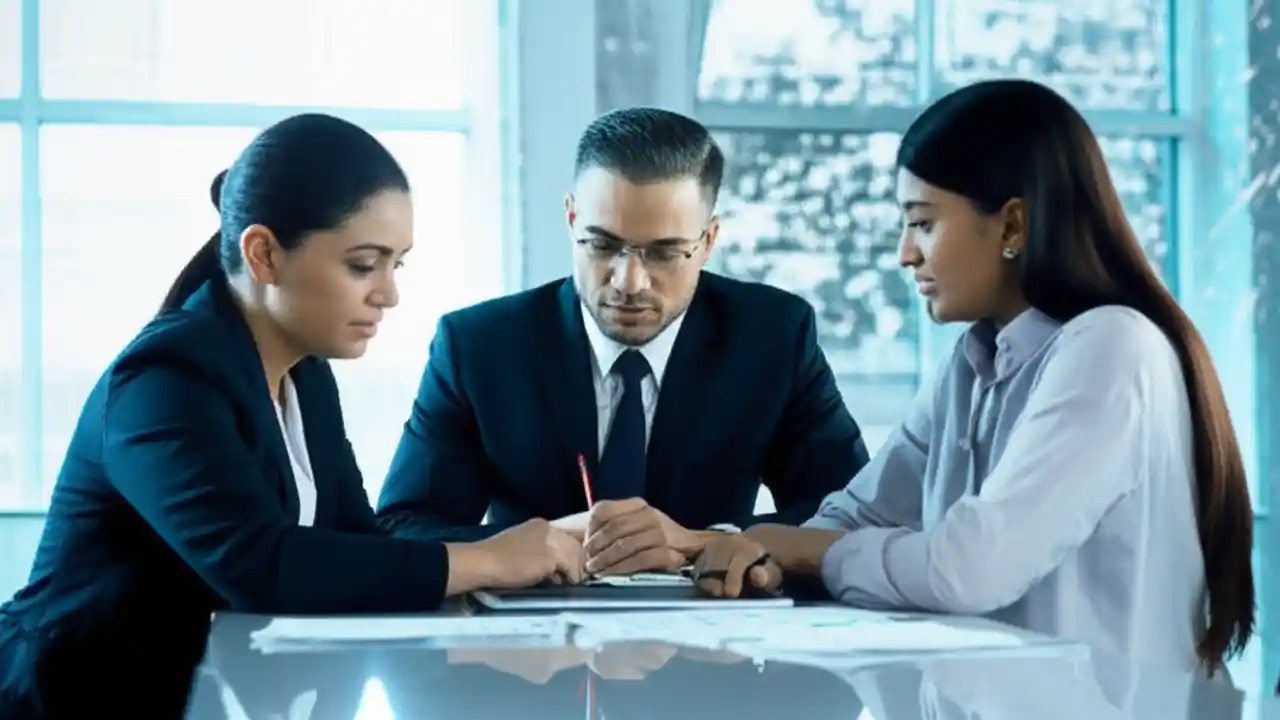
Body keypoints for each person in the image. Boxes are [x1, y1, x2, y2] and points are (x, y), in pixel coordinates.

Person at [0, 114, 585, 716]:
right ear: (263, 254)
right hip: (72, 699)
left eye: (397, 265)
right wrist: (490, 560)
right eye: (363, 264)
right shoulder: (165, 379)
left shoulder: (304, 373)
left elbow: (356, 543)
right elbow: (260, 566)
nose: (388, 294)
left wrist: (545, 542)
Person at [693, 79, 1255, 674]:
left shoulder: (1113, 346)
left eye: (923, 223)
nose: (905, 254)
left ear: (1012, 227)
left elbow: (971, 569)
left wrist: (807, 552)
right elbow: (860, 514)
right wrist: (771, 556)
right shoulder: (971, 361)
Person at [376, 107, 871, 576]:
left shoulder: (773, 336)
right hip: (534, 629)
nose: (629, 282)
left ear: (708, 240)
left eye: (665, 252)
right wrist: (542, 541)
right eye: (602, 245)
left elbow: (849, 518)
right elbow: (404, 527)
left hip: (710, 625)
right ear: (571, 220)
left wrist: (703, 542)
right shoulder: (479, 346)